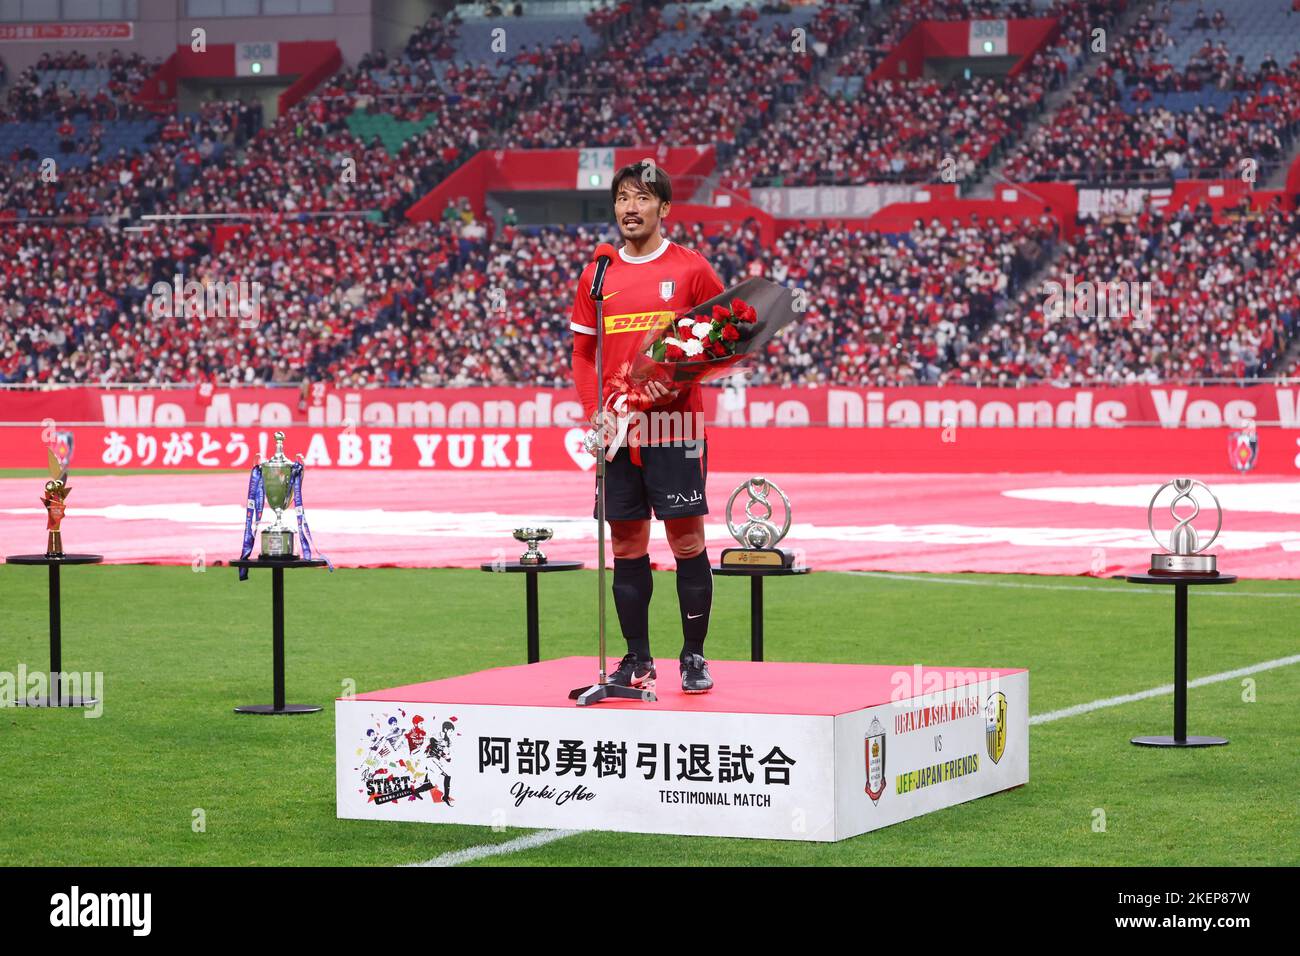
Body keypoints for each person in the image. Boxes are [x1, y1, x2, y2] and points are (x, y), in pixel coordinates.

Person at [569, 162, 725, 694]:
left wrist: (678, 382)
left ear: (664, 208)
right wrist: (596, 409)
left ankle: (694, 656)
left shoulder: (691, 269)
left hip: (675, 425)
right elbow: (582, 351)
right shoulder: (598, 274)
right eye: (621, 198)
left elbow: (720, 338)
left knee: (686, 541)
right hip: (617, 431)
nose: (630, 207)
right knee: (627, 544)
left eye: (642, 197)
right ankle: (637, 659)